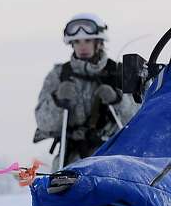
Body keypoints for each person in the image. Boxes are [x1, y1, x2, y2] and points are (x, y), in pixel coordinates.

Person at [34, 13, 138, 167]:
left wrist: (118, 100)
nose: (82, 46)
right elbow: (43, 123)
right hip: (69, 162)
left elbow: (137, 122)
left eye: (88, 40)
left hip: (114, 159)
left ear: (99, 42)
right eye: (76, 42)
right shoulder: (59, 75)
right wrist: (57, 100)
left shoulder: (119, 73)